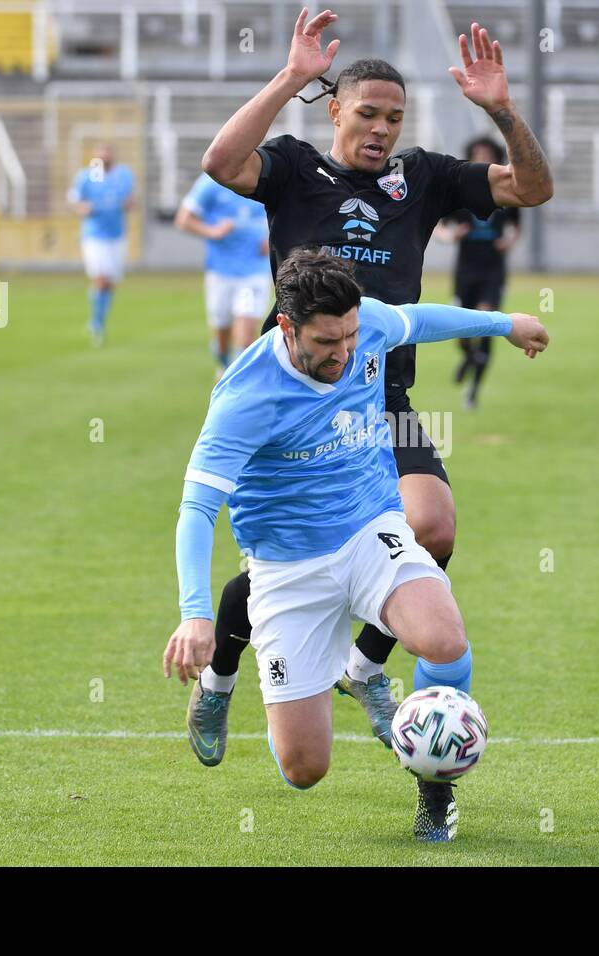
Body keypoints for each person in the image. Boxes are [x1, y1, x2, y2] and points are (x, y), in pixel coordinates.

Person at [189, 7, 553, 768]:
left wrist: (502, 111)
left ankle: (363, 670)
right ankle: (221, 678)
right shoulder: (291, 167)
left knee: (436, 527)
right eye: (368, 113)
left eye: (395, 116)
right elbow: (221, 163)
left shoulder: (422, 178)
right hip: (294, 400)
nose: (382, 128)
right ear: (335, 110)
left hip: (381, 398)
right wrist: (289, 75)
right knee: (283, 561)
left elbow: (531, 189)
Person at [163, 249, 549, 841]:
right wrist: (192, 615)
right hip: (287, 570)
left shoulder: (363, 324)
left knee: (444, 640)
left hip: (371, 530)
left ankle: (435, 794)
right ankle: (220, 681)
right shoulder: (244, 398)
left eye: (349, 336)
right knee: (304, 769)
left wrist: (504, 323)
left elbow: (417, 320)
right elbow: (197, 509)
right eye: (326, 341)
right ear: (287, 326)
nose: (343, 352)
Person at [434, 136, 520, 408]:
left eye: (486, 153)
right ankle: (470, 357)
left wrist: (509, 241)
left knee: (485, 322)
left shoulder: (506, 190)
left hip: (492, 269)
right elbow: (438, 226)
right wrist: (451, 236)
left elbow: (516, 226)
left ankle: (473, 390)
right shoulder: (460, 192)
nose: (481, 158)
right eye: (476, 153)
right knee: (461, 328)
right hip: (465, 270)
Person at [175, 172, 271, 376]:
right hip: (221, 271)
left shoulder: (264, 178)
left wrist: (273, 239)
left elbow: (283, 215)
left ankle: (236, 383)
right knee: (222, 333)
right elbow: (183, 219)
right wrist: (212, 232)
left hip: (253, 271)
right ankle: (222, 361)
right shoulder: (211, 183)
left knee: (246, 335)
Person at [68, 143, 134, 347]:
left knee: (111, 282)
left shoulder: (123, 175)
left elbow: (130, 200)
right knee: (102, 279)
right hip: (94, 235)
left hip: (116, 234)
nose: (104, 156)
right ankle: (97, 323)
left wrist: (127, 204)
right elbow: (75, 200)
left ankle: (99, 318)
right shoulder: (87, 176)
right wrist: (82, 208)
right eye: (100, 153)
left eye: (107, 151)